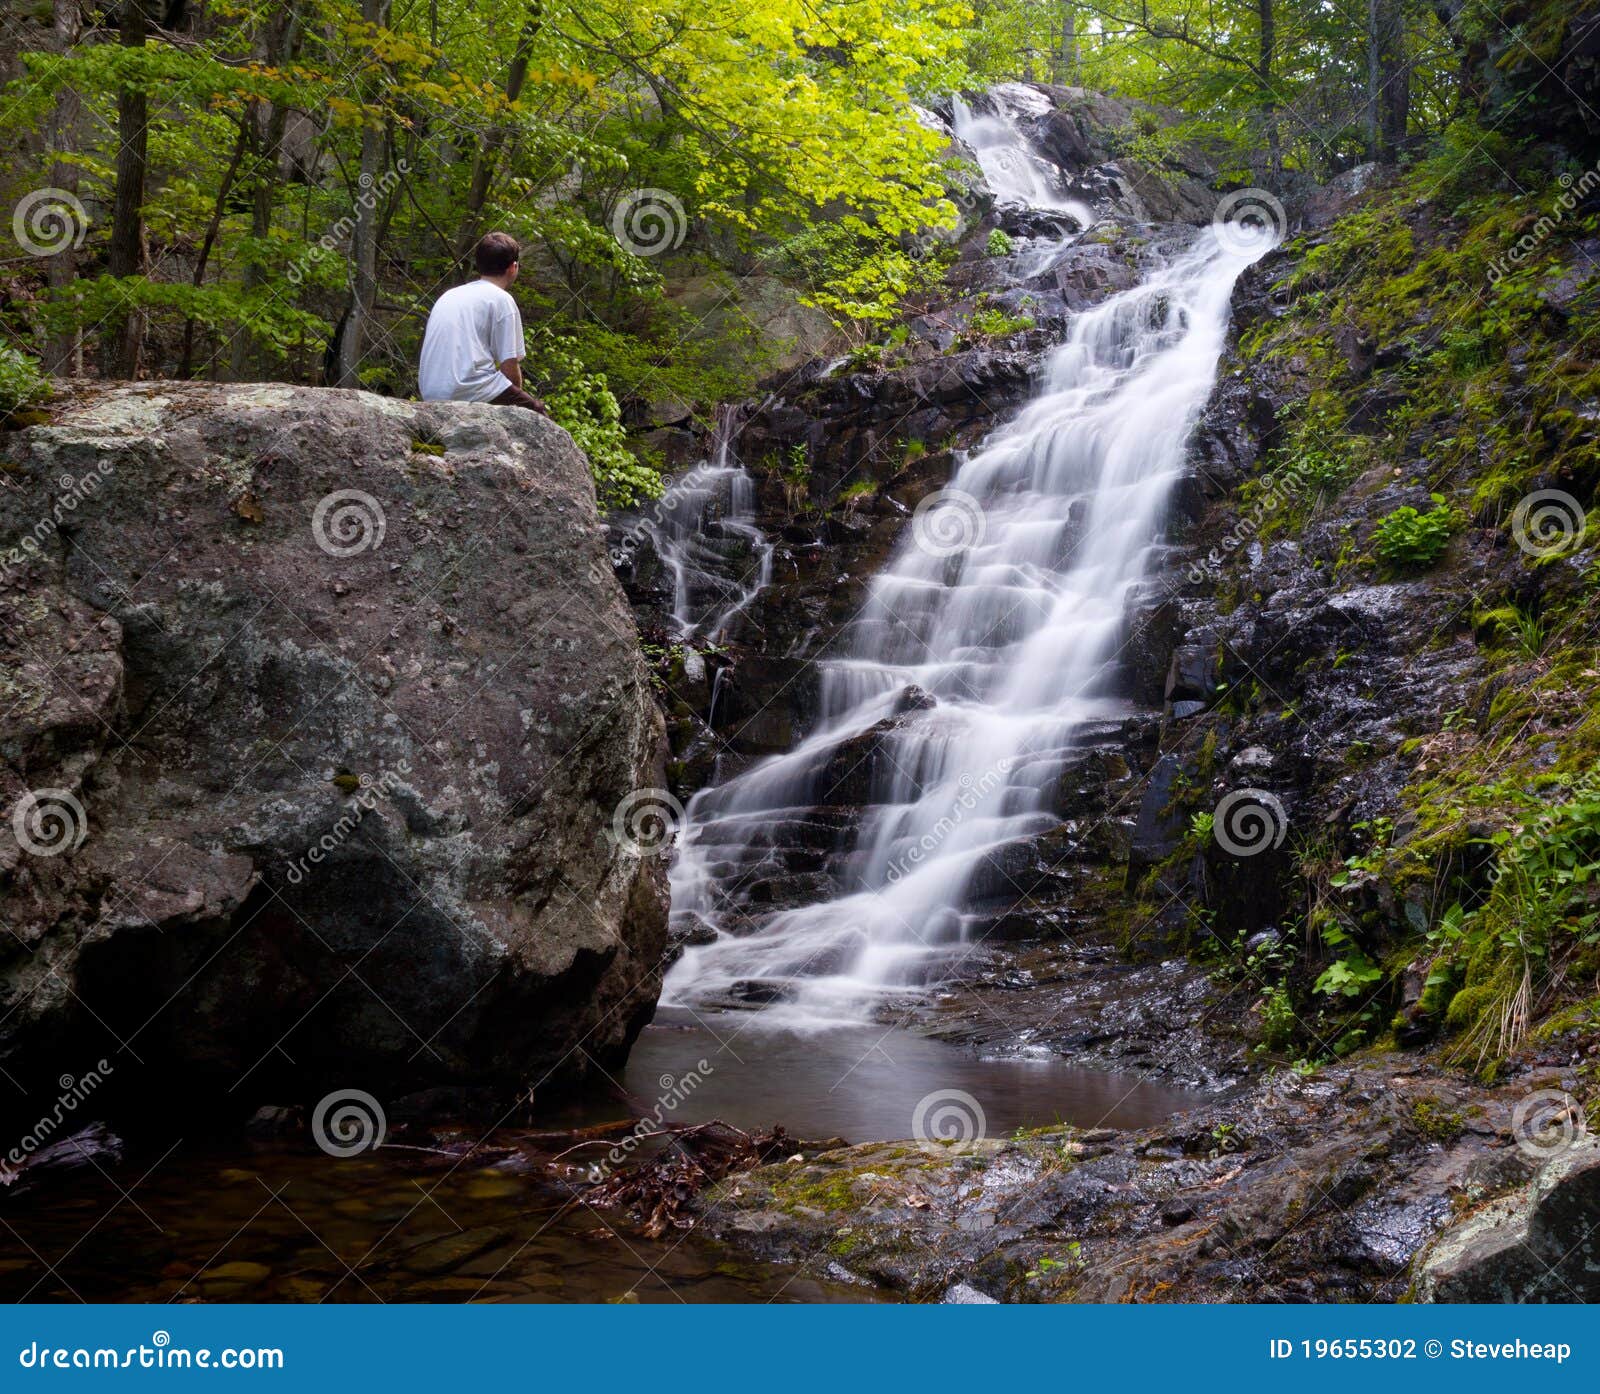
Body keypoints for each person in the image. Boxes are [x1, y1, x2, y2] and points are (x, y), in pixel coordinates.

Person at [418, 232, 548, 414]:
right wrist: (517, 410)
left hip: (431, 392)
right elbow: (509, 366)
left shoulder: (450, 294)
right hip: (466, 389)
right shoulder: (501, 300)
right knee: (536, 412)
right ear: (513, 267)